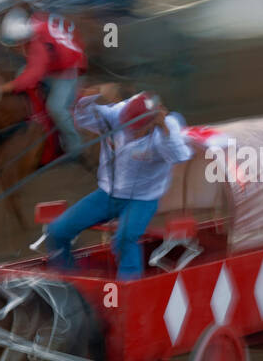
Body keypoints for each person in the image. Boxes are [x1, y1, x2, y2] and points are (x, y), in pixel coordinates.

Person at [45, 84, 193, 280]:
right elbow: (82, 115)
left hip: (142, 199)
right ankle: (67, 278)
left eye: (135, 129)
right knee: (57, 231)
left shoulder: (168, 128)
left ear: (151, 123)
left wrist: (164, 129)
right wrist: (94, 94)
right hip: (107, 194)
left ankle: (130, 291)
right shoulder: (114, 114)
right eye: (127, 125)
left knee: (125, 239)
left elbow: (180, 156)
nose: (129, 132)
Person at [0, 6, 88, 156]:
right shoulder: (31, 27)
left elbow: (33, 74)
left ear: (23, 39)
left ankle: (76, 146)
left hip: (67, 70)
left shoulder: (38, 45)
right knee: (20, 73)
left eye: (14, 44)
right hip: (51, 64)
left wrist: (7, 87)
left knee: (56, 108)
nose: (13, 49)